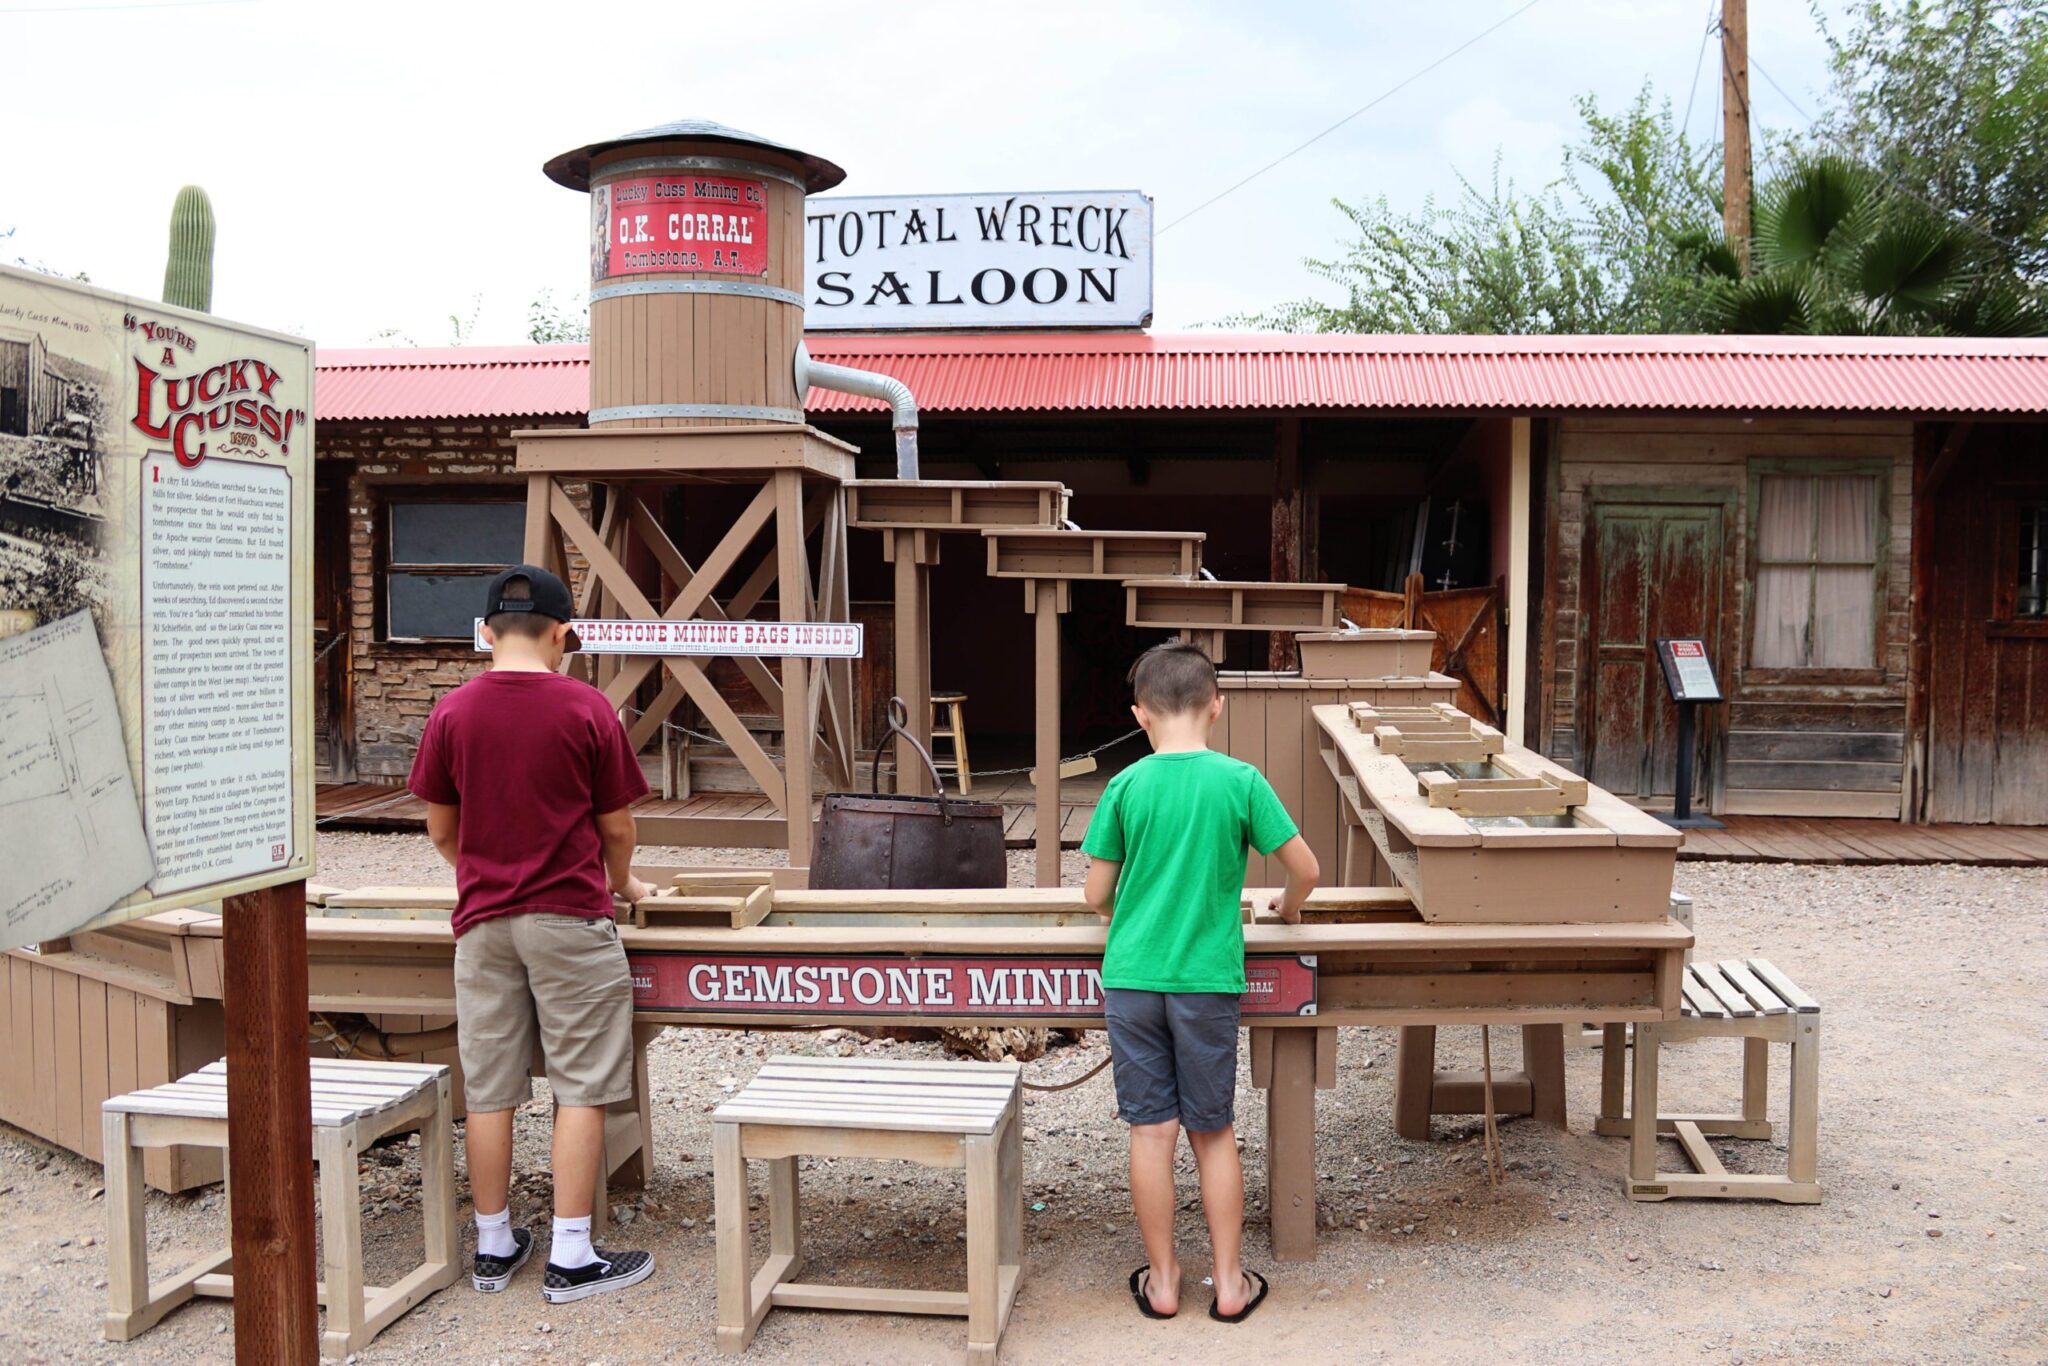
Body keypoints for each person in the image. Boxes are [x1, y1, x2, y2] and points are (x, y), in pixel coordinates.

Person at [408, 564, 658, 1304]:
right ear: (560, 634)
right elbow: (617, 824)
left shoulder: (451, 712)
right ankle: (572, 1255)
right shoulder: (587, 710)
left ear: (485, 633)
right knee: (581, 1084)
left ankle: (493, 1245)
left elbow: (440, 827)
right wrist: (624, 882)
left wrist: (480, 868)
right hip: (571, 919)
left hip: (484, 923)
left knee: (488, 1086)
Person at [1080, 640, 1320, 1324]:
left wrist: (1123, 909)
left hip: (1133, 979)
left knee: (1151, 1133)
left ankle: (1161, 1282)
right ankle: (1229, 1283)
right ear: (1218, 706)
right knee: (1211, 1132)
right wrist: (1288, 908)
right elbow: (1305, 870)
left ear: (1140, 714)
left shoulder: (1125, 785)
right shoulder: (1240, 781)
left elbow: (1096, 890)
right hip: (1207, 983)